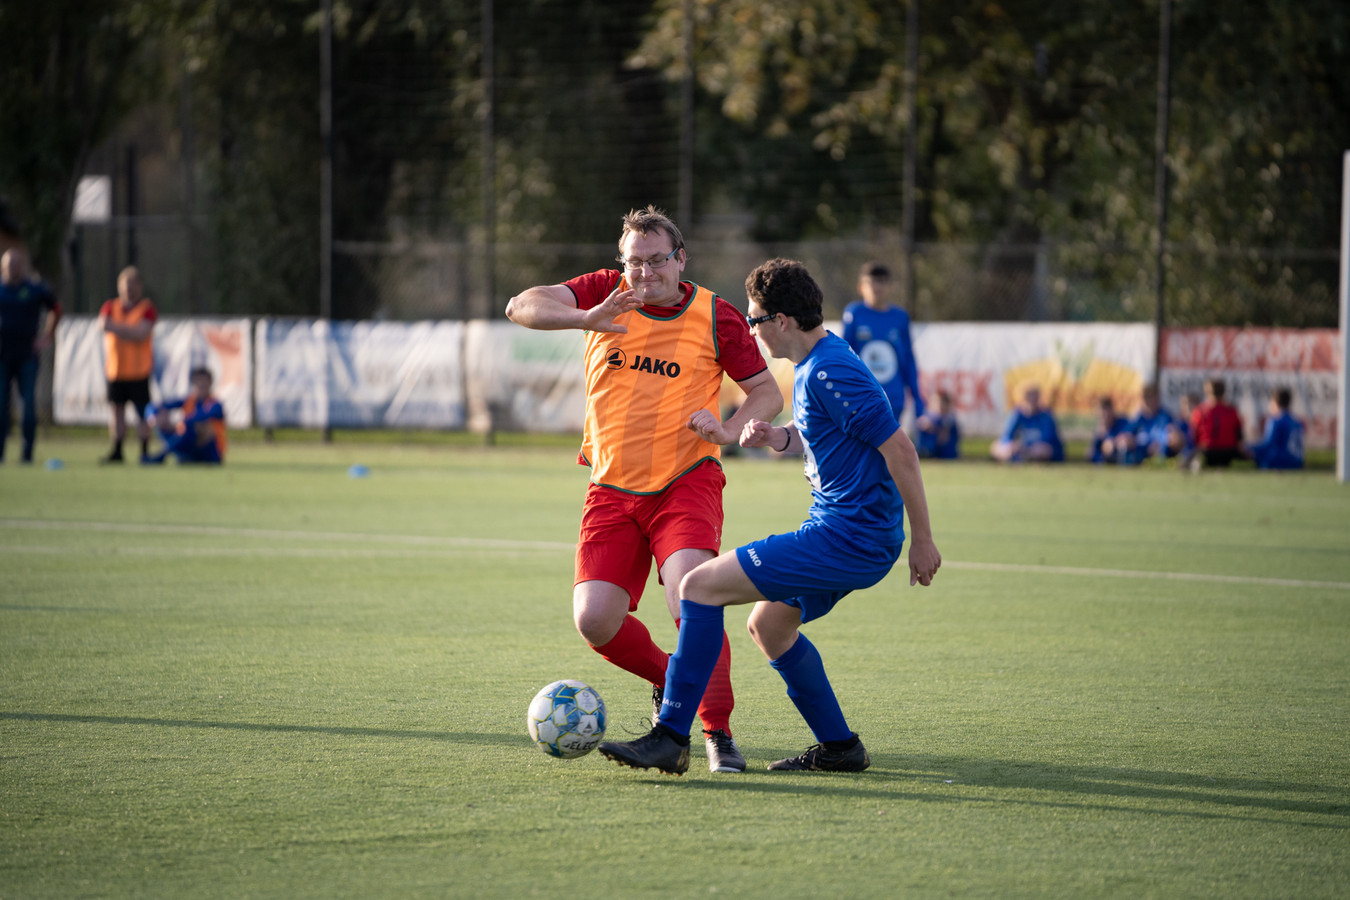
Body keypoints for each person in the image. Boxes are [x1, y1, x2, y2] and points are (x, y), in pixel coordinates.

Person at [597, 258, 941, 776]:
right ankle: (840, 748)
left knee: (697, 587)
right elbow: (837, 437)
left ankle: (671, 735)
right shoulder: (814, 365)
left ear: (781, 321)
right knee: (769, 627)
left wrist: (923, 541)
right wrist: (780, 438)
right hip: (845, 533)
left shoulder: (830, 369)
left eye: (755, 320)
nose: (750, 330)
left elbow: (900, 451)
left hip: (848, 538)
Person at [504, 206, 783, 774]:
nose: (645, 273)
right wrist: (586, 319)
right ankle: (670, 679)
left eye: (657, 261)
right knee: (594, 620)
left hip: (686, 481)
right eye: (634, 262)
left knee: (692, 595)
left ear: (680, 258)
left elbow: (764, 391)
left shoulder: (715, 315)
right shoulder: (604, 292)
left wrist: (729, 430)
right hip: (609, 486)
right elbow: (519, 306)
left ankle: (715, 731)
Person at [841, 261, 924, 423]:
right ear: (861, 287)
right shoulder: (854, 314)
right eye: (871, 281)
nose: (877, 286)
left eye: (882, 281)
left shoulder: (900, 317)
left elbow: (908, 359)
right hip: (862, 396)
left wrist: (917, 399)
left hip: (893, 397)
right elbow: (844, 356)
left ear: (890, 286)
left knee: (891, 447)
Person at [0, 247, 61, 464]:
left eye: (17, 263)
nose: (13, 268)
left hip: (27, 356)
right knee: (1, 406)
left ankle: (27, 454)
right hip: (2, 357)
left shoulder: (35, 290)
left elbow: (56, 308)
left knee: (27, 407)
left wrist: (47, 336)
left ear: (23, 266)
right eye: (9, 264)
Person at [98, 266, 158, 463]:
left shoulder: (147, 308)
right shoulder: (110, 306)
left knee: (142, 415)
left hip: (139, 371)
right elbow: (103, 325)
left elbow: (141, 333)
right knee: (117, 412)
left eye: (133, 285)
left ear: (140, 286)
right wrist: (130, 331)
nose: (129, 289)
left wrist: (117, 329)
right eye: (125, 285)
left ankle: (144, 451)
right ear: (118, 286)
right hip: (116, 370)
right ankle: (117, 451)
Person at [142, 367, 227, 465]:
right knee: (162, 419)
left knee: (197, 426)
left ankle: (162, 456)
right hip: (191, 445)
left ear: (211, 383)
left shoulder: (215, 404)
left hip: (211, 452)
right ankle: (183, 455)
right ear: (193, 382)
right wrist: (152, 416)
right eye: (199, 381)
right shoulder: (188, 401)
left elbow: (200, 417)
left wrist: (181, 422)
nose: (202, 384)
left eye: (205, 381)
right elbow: (154, 406)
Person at [990, 384, 1064, 462]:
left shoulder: (1045, 415)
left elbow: (1048, 440)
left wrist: (1029, 447)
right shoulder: (1017, 415)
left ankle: (1028, 459)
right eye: (1029, 396)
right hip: (1020, 449)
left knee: (1043, 450)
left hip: (1038, 449)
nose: (1032, 399)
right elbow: (1006, 437)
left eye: (1035, 397)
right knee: (996, 447)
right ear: (1023, 398)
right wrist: (1013, 445)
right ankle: (1019, 458)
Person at [1188, 378, 1243, 469]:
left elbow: (1193, 435)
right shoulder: (1231, 411)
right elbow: (1239, 435)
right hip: (1229, 452)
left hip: (1207, 452)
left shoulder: (1200, 411)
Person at [1121, 383, 1180, 464]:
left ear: (1157, 398)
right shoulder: (1138, 417)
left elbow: (1171, 434)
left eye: (1150, 397)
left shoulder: (1165, 416)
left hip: (1161, 452)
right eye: (1146, 398)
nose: (1148, 402)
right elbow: (1125, 435)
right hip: (1140, 452)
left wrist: (1161, 444)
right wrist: (1129, 440)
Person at [1248, 387, 1304, 470]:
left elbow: (1268, 444)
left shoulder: (1276, 420)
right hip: (1298, 462)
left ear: (1275, 403)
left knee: (1261, 456)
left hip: (1281, 461)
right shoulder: (1297, 421)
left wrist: (1248, 447)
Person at [915, 390, 960, 459]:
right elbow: (923, 423)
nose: (940, 406)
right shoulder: (928, 417)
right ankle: (924, 453)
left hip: (946, 452)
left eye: (943, 404)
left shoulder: (950, 420)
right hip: (929, 449)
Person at [1089, 396, 1129, 464]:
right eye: (1101, 414)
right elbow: (1093, 455)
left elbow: (1129, 437)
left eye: (1106, 412)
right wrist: (1104, 449)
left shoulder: (1122, 423)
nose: (1105, 416)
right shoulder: (1100, 432)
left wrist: (1113, 442)